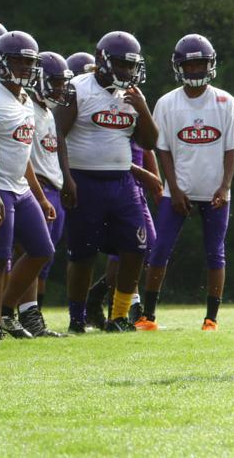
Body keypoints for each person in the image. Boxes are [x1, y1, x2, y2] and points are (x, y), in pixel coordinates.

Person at [57, 31, 159, 333]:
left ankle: (119, 316)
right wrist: (66, 178)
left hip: (122, 182)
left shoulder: (133, 95)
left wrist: (142, 108)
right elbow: (57, 134)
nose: (127, 71)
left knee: (135, 248)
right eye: (121, 64)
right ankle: (77, 319)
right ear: (103, 61)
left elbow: (150, 142)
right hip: (84, 179)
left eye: (131, 65)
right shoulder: (78, 88)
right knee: (83, 254)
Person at [142, 34, 234, 331]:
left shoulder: (226, 102)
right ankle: (148, 316)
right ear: (179, 67)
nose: (195, 70)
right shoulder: (167, 103)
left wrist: (224, 187)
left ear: (210, 65)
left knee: (215, 252)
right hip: (178, 189)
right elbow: (163, 150)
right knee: (160, 249)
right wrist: (173, 188)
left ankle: (211, 318)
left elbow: (232, 149)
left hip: (215, 190)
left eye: (200, 64)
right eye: (190, 65)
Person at [0, 31, 56, 340]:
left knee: (42, 250)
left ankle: (5, 309)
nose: (25, 67)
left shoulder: (26, 99)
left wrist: (40, 195)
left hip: (21, 187)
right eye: (18, 61)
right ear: (2, 62)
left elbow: (22, 153)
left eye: (29, 62)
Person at [20, 51, 71, 337]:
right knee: (32, 256)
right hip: (36, 186)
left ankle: (32, 316)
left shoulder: (47, 112)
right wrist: (38, 193)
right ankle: (19, 314)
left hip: (52, 187)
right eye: (56, 82)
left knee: (44, 261)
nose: (61, 89)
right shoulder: (28, 108)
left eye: (63, 83)